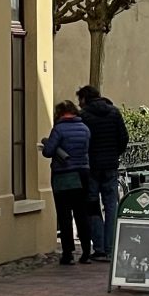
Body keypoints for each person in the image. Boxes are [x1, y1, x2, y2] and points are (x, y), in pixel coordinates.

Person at [41, 101, 103, 264]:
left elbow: (48, 152)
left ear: (60, 113)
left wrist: (48, 144)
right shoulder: (85, 129)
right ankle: (86, 252)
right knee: (82, 213)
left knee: (64, 214)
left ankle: (68, 254)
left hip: (63, 175)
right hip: (83, 173)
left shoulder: (59, 129)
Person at [77, 84, 128, 249]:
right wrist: (114, 154)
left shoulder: (84, 116)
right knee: (111, 205)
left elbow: (82, 142)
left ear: (84, 99)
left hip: (92, 166)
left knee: (92, 205)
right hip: (110, 165)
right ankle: (110, 245)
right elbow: (123, 138)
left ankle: (98, 246)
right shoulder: (114, 112)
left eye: (80, 100)